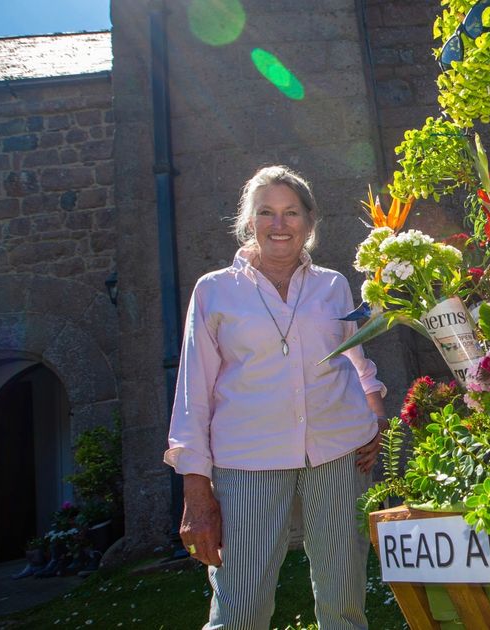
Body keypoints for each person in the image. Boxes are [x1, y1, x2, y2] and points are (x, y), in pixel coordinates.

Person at [164, 165, 386, 630]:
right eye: (266, 212)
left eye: (290, 213)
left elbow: (357, 362)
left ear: (309, 222)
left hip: (339, 455)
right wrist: (195, 488)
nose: (278, 224)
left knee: (345, 605)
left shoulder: (333, 285)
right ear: (249, 222)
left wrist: (375, 418)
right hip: (247, 462)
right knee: (239, 612)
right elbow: (193, 393)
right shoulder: (214, 291)